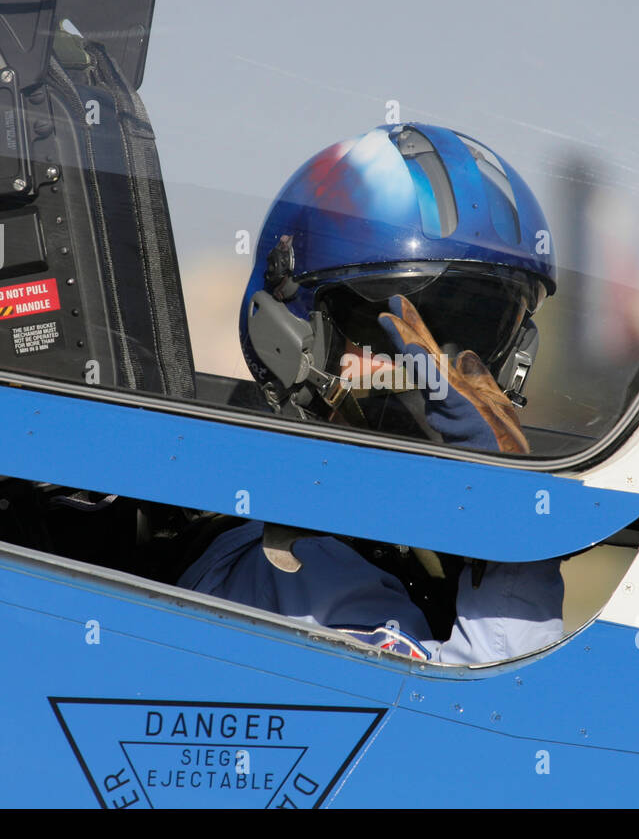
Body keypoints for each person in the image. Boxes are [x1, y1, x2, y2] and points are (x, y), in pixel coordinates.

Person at [177, 123, 564, 664]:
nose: (424, 370)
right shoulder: (294, 568)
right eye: (378, 325)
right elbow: (483, 705)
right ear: (290, 336)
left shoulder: (400, 530)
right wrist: (512, 521)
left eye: (466, 336)